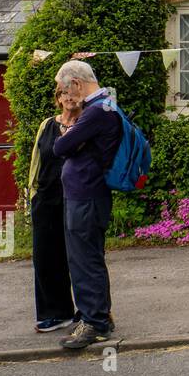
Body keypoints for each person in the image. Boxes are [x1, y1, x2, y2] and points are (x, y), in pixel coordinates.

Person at [51, 60, 122, 351]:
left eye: (66, 89)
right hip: (88, 194)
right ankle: (100, 315)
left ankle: (94, 323)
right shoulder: (104, 106)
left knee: (84, 259)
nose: (67, 96)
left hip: (86, 195)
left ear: (77, 84)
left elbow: (60, 147)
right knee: (89, 256)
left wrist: (70, 137)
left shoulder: (96, 111)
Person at [25, 87, 81, 332]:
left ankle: (87, 311)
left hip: (76, 198)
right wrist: (32, 193)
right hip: (46, 198)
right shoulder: (46, 125)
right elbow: (36, 159)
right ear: (58, 98)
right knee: (45, 257)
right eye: (64, 93)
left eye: (74, 92)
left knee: (78, 257)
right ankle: (55, 313)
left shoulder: (87, 123)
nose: (69, 97)